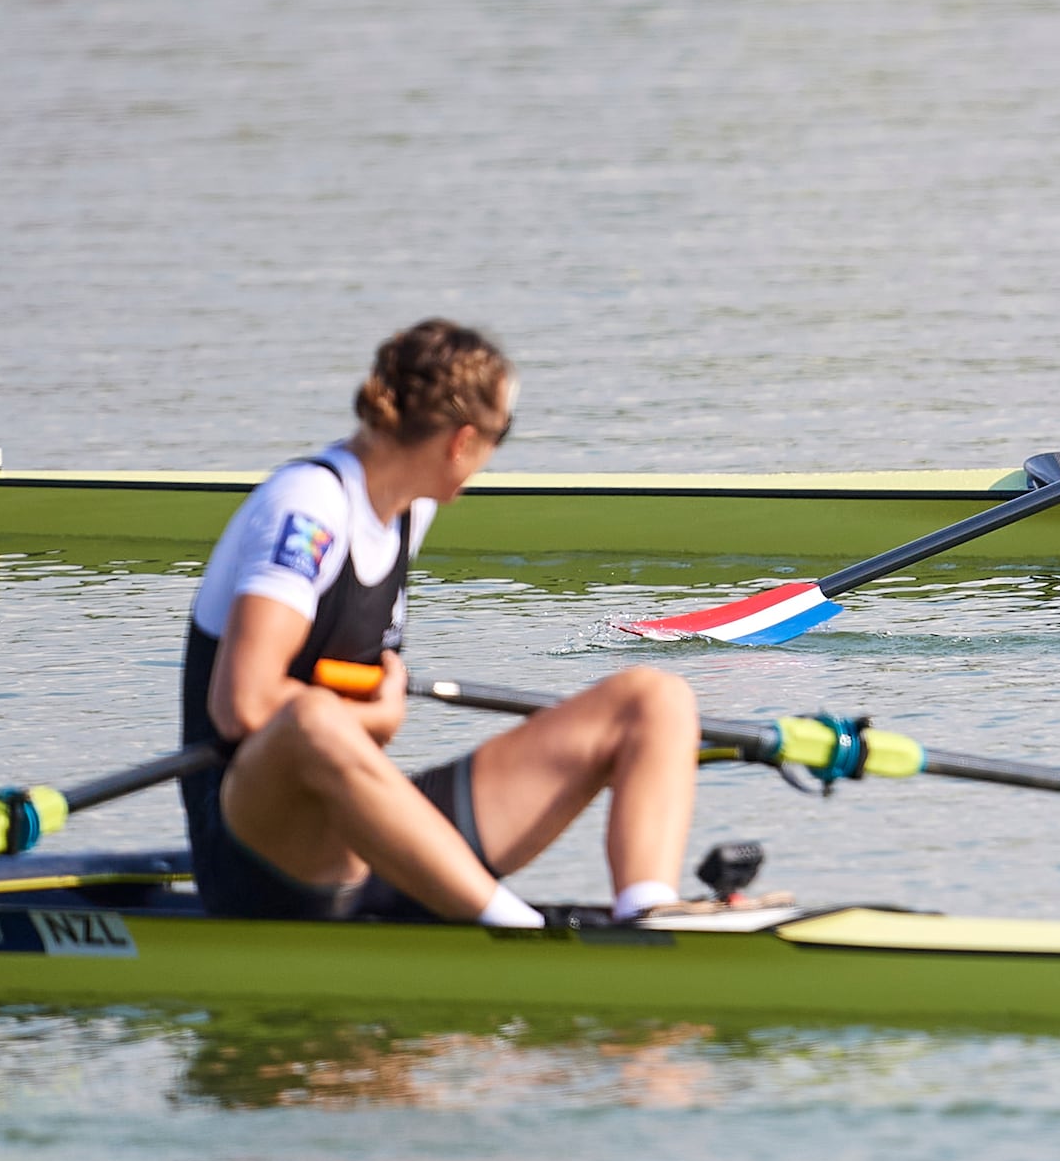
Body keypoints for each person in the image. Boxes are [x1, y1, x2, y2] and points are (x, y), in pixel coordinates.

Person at [179, 319, 699, 926]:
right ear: (461, 441)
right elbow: (241, 704)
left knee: (653, 699)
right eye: (503, 435)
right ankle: (516, 929)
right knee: (311, 718)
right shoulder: (309, 508)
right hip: (259, 859)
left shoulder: (409, 507)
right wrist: (380, 712)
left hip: (359, 837)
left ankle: (650, 916)